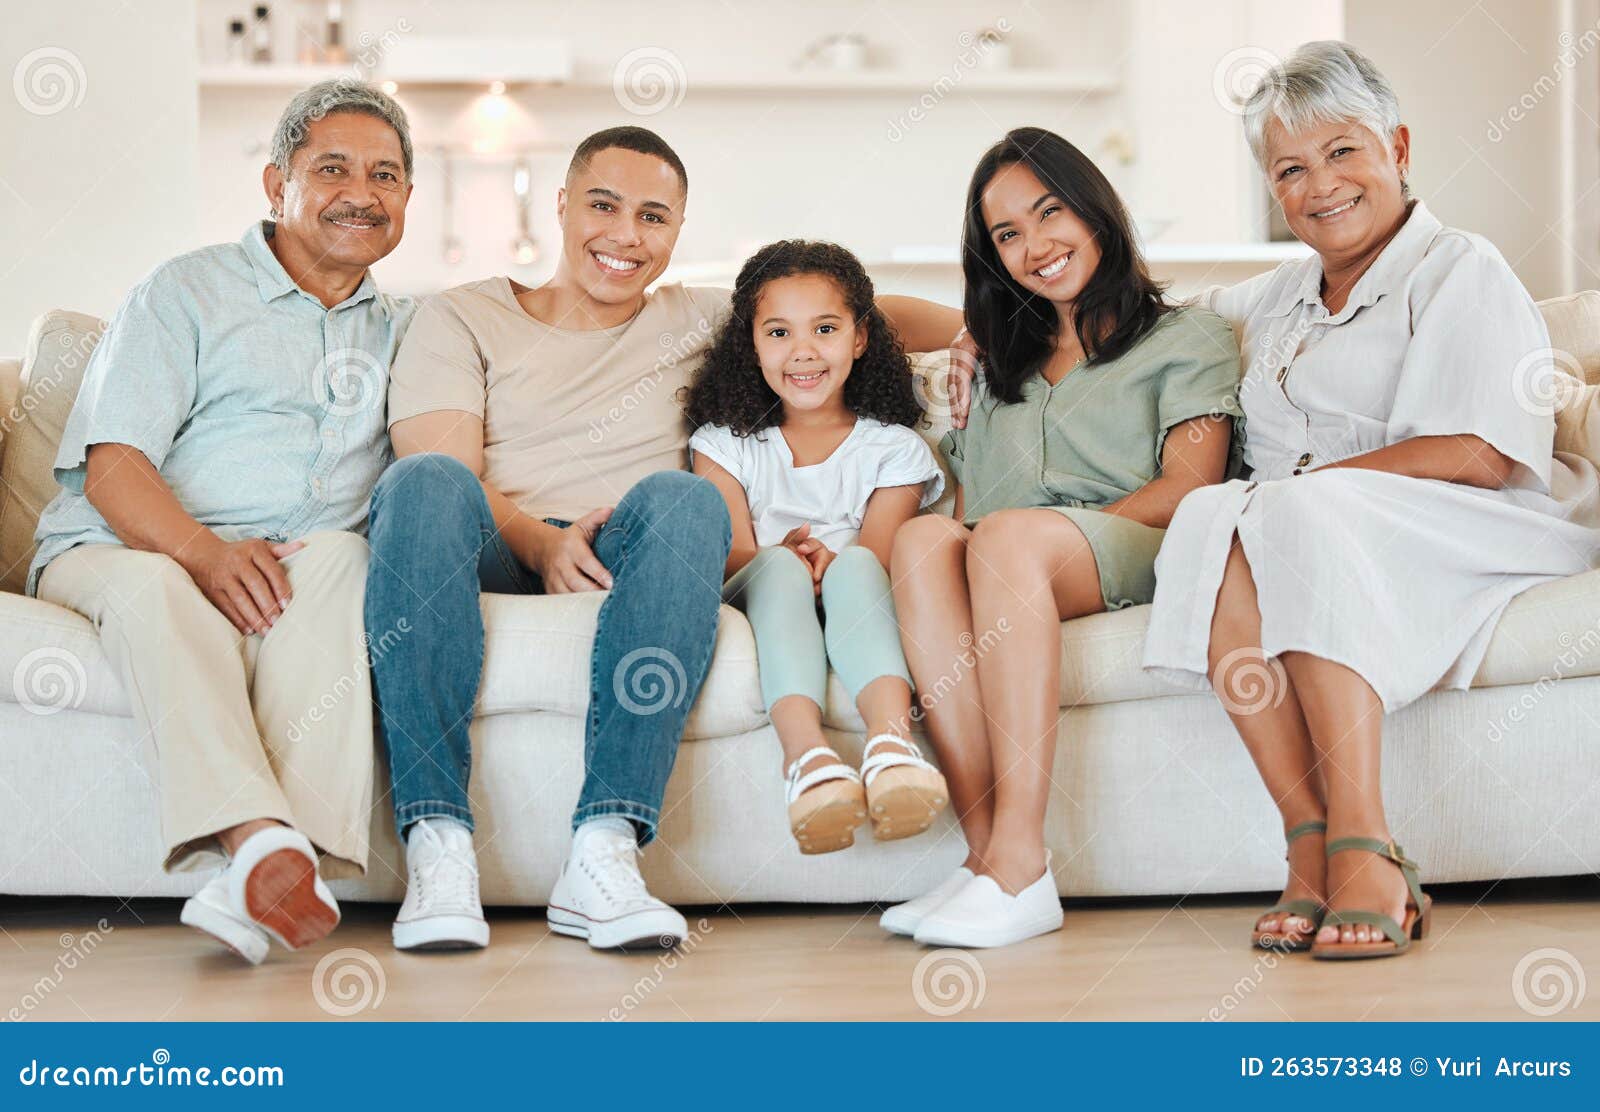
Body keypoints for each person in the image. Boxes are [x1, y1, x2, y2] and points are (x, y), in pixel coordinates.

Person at [365, 126, 966, 952]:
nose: (625, 236)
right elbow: (443, 467)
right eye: (603, 207)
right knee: (420, 484)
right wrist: (541, 545)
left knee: (688, 499)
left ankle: (604, 849)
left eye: (653, 217)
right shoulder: (463, 315)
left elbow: (841, 312)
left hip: (631, 550)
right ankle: (438, 843)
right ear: (563, 205)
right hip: (497, 540)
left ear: (678, 232)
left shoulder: (700, 317)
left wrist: (975, 335)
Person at [1139, 41, 1600, 959]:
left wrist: (1311, 493)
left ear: (1397, 145)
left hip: (1473, 521)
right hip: (1311, 522)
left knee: (1287, 508)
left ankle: (1363, 841)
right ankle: (1307, 842)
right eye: (1290, 169)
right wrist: (953, 323)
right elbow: (1133, 320)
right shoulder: (1273, 297)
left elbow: (1476, 449)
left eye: (1343, 151)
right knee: (1208, 513)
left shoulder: (1460, 267)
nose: (1321, 185)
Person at [28, 80, 416, 964]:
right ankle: (255, 839)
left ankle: (278, 872)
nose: (363, 192)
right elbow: (112, 462)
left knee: (347, 563)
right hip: (120, 543)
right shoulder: (186, 289)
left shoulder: (406, 330)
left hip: (294, 554)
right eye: (333, 169)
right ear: (277, 183)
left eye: (387, 175)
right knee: (158, 584)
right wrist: (202, 552)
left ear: (406, 201)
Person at [888, 127, 1243, 948]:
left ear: (1095, 210)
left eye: (1049, 214)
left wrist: (1037, 538)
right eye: (1007, 235)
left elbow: (1190, 488)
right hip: (1000, 557)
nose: (1035, 246)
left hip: (1131, 543)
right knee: (917, 545)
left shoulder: (1186, 339)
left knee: (1005, 539)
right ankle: (986, 859)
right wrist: (968, 326)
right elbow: (857, 310)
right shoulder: (996, 367)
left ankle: (1021, 858)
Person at [685, 240, 948, 856]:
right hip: (762, 585)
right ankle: (808, 759)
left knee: (854, 561)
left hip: (856, 592)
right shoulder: (725, 443)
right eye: (778, 331)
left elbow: (880, 559)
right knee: (777, 566)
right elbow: (732, 557)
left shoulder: (893, 449)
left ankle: (890, 746)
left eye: (825, 329)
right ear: (751, 343)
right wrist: (785, 558)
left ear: (859, 338)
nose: (802, 351)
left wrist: (831, 563)